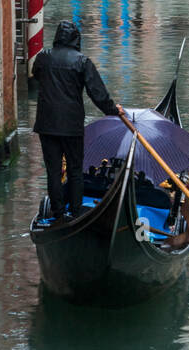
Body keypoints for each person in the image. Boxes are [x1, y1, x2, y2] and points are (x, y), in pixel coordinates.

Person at [33, 20, 124, 226]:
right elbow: (97, 93)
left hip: (46, 124)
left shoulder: (43, 57)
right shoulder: (82, 61)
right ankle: (75, 212)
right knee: (75, 169)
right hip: (71, 126)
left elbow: (37, 75)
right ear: (76, 39)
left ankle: (57, 213)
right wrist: (113, 110)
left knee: (53, 170)